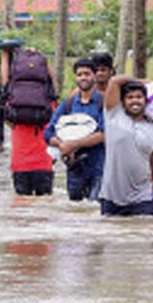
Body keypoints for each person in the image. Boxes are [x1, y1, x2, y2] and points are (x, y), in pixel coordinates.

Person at [98, 76, 153, 216]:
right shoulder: (113, 116)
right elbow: (114, 81)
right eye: (130, 97)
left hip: (142, 199)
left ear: (146, 101)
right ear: (123, 102)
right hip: (110, 198)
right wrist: (145, 81)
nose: (135, 100)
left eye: (139, 97)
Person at [44, 59, 105, 201]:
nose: (83, 77)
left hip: (99, 168)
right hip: (74, 170)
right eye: (79, 74)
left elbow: (104, 135)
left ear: (94, 76)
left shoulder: (104, 103)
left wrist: (74, 145)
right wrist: (61, 145)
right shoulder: (68, 105)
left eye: (87, 74)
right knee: (75, 213)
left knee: (96, 210)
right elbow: (48, 134)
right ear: (76, 78)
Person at [1, 47, 55, 196]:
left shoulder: (12, 104)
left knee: (21, 212)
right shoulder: (49, 102)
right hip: (44, 163)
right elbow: (53, 83)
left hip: (20, 164)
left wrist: (5, 54)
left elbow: (5, 84)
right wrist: (40, 57)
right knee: (43, 210)